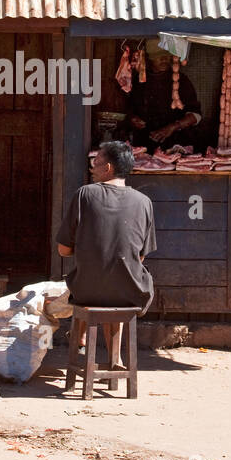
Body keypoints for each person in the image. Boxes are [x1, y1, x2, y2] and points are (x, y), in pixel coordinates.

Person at [56, 141, 157, 370]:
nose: (92, 167)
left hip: (87, 291)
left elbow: (63, 250)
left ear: (108, 167)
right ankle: (115, 358)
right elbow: (139, 258)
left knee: (96, 278)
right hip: (129, 293)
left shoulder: (84, 195)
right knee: (120, 279)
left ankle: (82, 335)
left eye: (96, 162)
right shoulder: (144, 203)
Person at [125, 39, 202, 151]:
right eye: (158, 56)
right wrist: (133, 119)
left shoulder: (181, 80)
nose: (164, 59)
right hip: (145, 146)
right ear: (149, 59)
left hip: (176, 146)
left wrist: (172, 127)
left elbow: (196, 116)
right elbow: (129, 109)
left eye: (166, 55)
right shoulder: (139, 81)